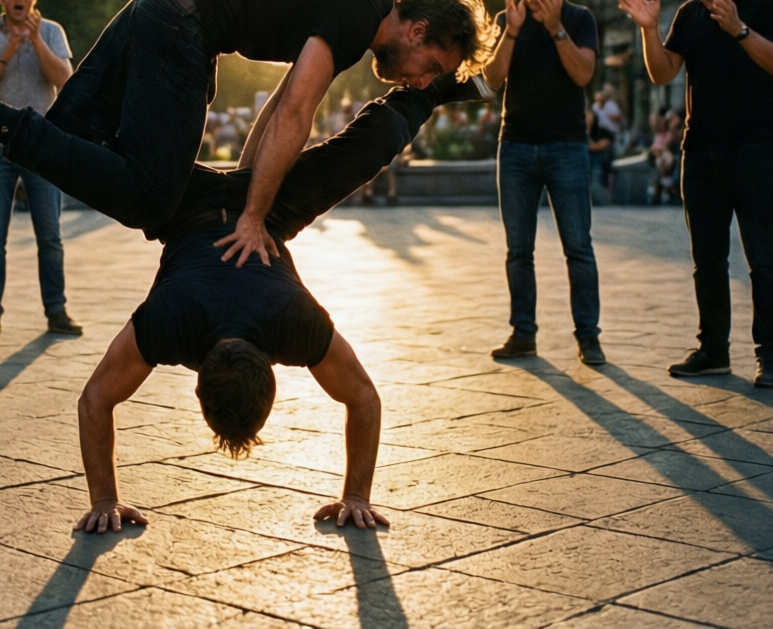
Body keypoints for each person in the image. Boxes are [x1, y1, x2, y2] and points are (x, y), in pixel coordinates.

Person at [75, 71, 491, 534]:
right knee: (86, 145)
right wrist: (104, 501)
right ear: (197, 388)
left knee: (366, 151)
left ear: (274, 371)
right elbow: (94, 400)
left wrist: (356, 496)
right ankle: (315, 67)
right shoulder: (172, 324)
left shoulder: (292, 324)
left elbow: (365, 400)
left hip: (240, 209)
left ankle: (379, 80)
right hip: (211, 206)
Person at [0, 0, 491, 266]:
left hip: (161, 5)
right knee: (152, 197)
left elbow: (285, 101)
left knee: (71, 141)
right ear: (417, 31)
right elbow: (297, 117)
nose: (419, 82)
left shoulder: (354, 5)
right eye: (433, 68)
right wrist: (254, 217)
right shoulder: (357, 13)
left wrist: (245, 187)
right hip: (181, 27)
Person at [617, 0, 773, 388]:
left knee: (763, 256)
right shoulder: (690, 13)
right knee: (708, 259)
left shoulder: (767, 3)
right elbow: (662, 73)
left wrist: (739, 29)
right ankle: (714, 350)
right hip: (701, 154)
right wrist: (648, 30)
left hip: (754, 150)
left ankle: (770, 356)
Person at [479, 0, 603, 365]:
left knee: (578, 247)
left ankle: (589, 337)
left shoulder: (579, 18)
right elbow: (491, 80)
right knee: (518, 250)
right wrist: (511, 32)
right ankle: (523, 334)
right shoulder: (507, 18)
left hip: (566, 147)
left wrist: (556, 30)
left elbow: (583, 73)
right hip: (515, 147)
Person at [0, 0, 79, 340]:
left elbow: (65, 80)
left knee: (50, 236)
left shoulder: (51, 31)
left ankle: (57, 311)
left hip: (42, 148)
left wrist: (36, 44)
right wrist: (7, 53)